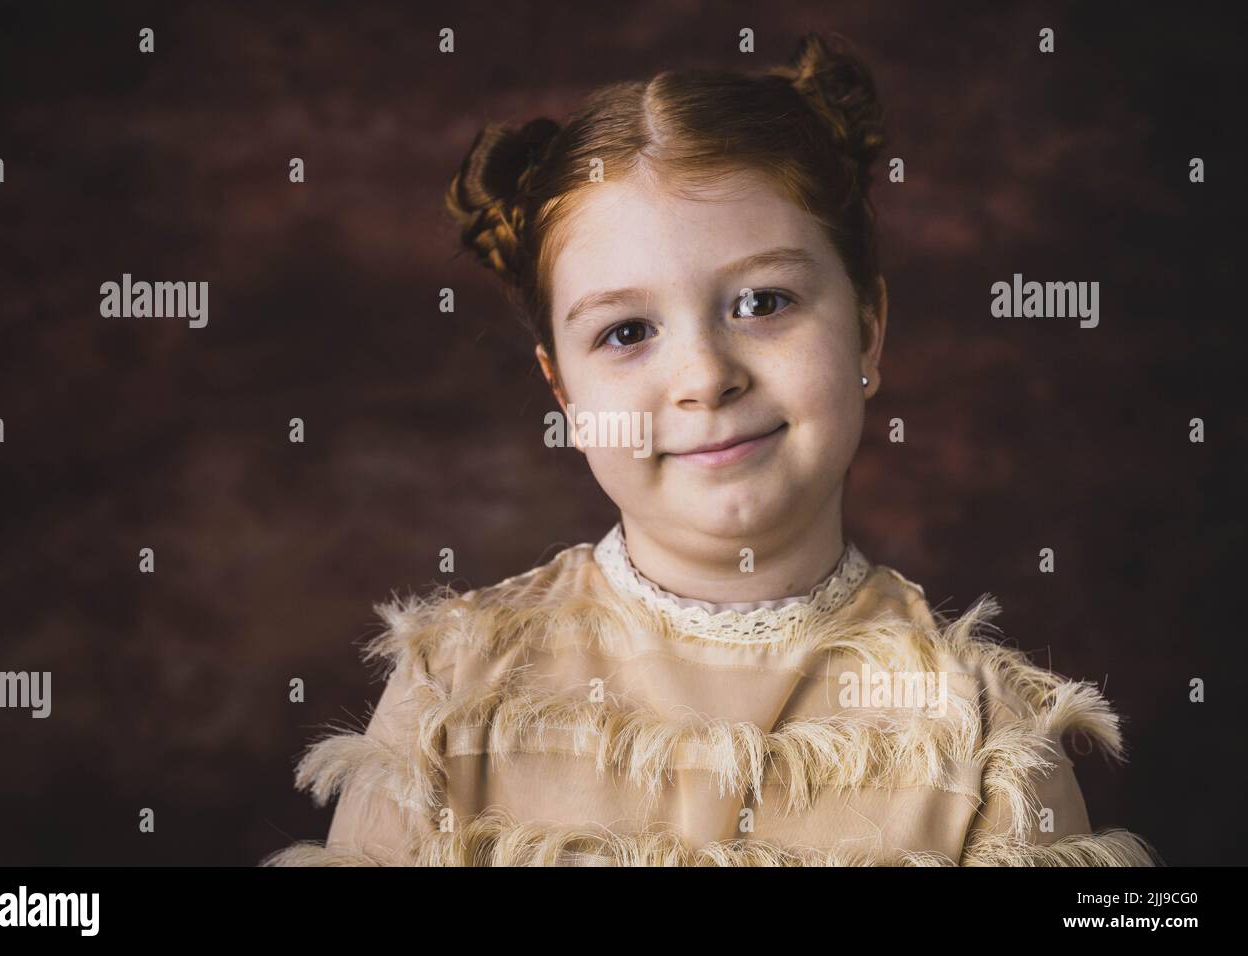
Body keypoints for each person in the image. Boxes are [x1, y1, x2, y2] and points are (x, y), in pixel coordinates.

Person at [263, 31, 1158, 867]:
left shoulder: (983, 737)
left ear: (869, 334)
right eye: (626, 332)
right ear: (565, 396)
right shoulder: (452, 694)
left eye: (763, 303)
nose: (704, 377)